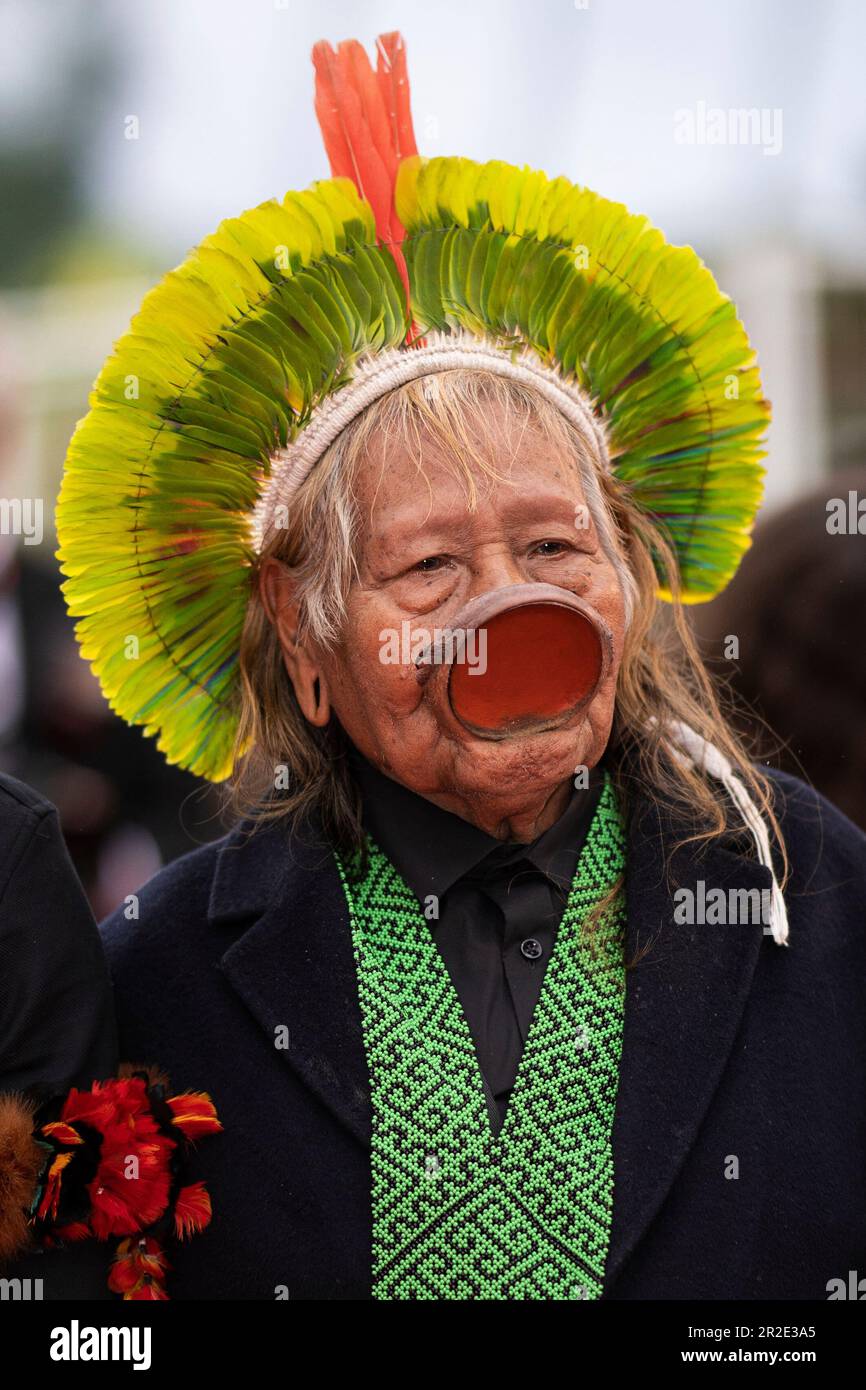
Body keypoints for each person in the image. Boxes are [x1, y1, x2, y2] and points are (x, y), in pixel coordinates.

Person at [56, 31, 866, 1300]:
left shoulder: (810, 896)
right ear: (305, 636)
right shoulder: (158, 976)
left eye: (554, 542)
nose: (514, 603)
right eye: (429, 566)